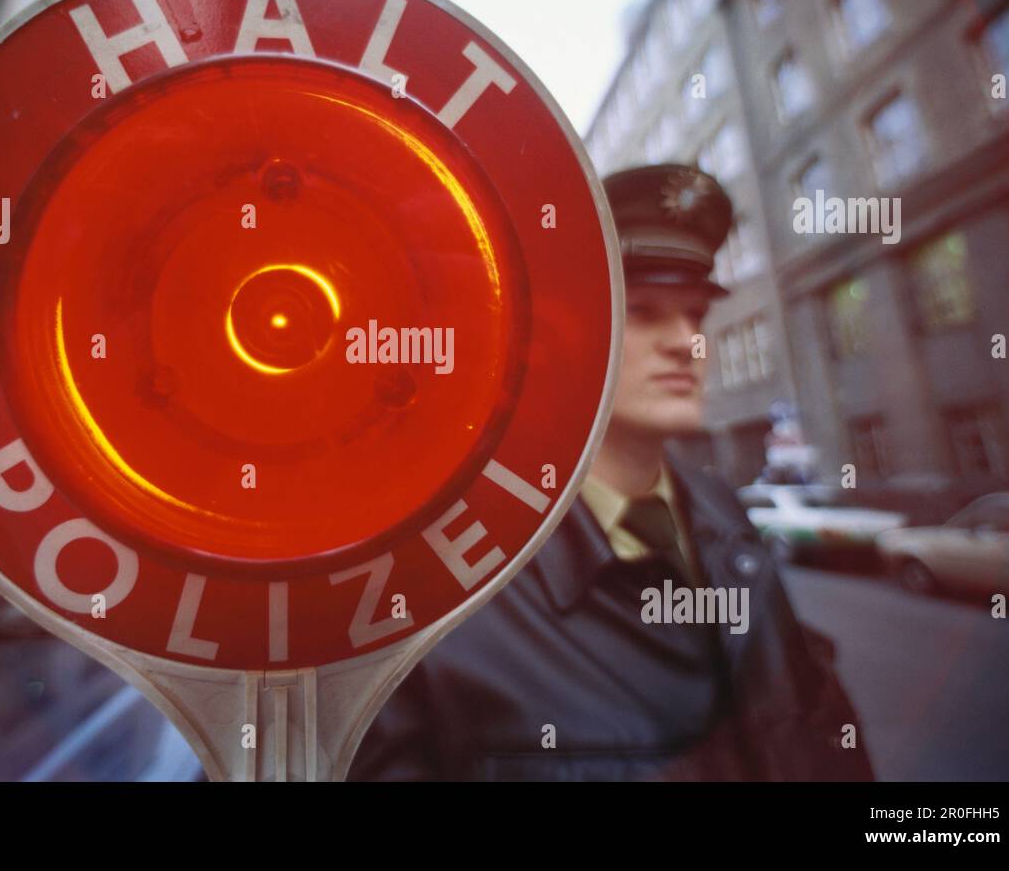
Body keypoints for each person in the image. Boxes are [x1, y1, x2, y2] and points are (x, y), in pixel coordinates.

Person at [347, 164, 874, 781]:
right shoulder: (449, 585)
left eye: (697, 315)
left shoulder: (724, 515)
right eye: (645, 312)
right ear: (569, 335)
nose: (686, 343)